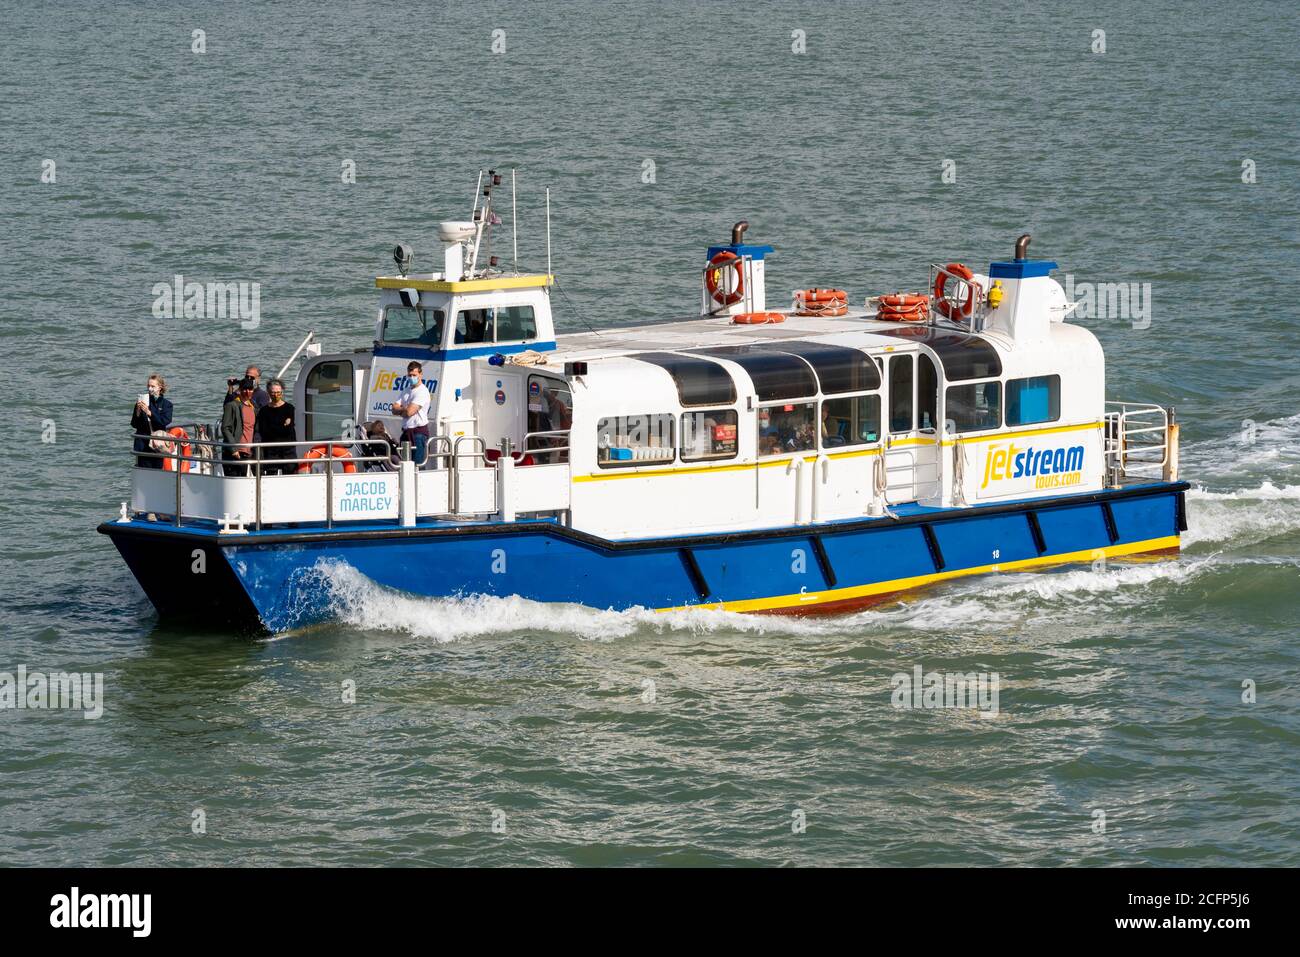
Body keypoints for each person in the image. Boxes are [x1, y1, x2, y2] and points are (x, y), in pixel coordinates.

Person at [389, 361, 431, 466]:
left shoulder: (422, 391)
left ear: (420, 374)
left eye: (414, 375)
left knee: (417, 466)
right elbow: (393, 408)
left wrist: (402, 409)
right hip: (406, 433)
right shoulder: (406, 390)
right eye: (410, 375)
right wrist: (404, 409)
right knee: (405, 466)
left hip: (418, 434)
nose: (411, 377)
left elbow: (409, 412)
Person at [131, 374, 173, 468]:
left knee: (157, 470)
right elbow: (134, 424)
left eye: (153, 386)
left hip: (158, 445)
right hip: (143, 444)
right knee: (143, 471)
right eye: (148, 386)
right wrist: (137, 412)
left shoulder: (167, 404)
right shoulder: (143, 401)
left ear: (160, 387)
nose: (150, 389)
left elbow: (164, 421)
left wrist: (149, 413)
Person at [255, 378, 296, 475]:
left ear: (282, 392)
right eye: (273, 392)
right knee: (270, 473)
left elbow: (289, 430)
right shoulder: (264, 411)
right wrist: (283, 425)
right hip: (270, 448)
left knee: (290, 472)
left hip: (288, 448)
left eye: (278, 392)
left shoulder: (289, 408)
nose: (276, 395)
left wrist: (275, 427)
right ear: (268, 393)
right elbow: (264, 431)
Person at [220, 376, 259, 475]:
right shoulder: (232, 405)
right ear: (240, 390)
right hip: (234, 452)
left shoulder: (253, 407)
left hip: (248, 452)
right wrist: (233, 449)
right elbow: (225, 428)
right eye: (244, 389)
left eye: (250, 389)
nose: (247, 392)